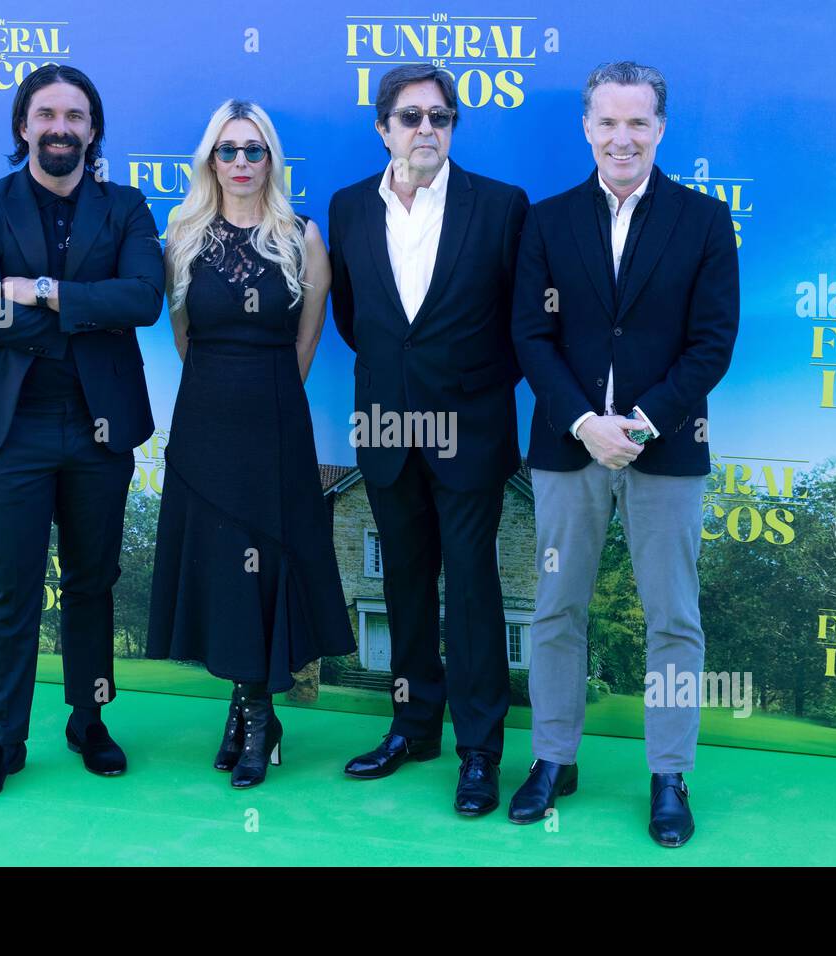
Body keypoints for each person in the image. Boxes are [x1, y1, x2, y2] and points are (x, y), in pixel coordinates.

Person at [510, 61, 739, 844]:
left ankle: (669, 773)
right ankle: (551, 759)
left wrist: (637, 424)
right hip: (565, 447)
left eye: (638, 122)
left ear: (660, 129)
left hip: (667, 449)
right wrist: (584, 422)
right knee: (555, 609)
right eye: (608, 122)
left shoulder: (705, 221)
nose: (622, 137)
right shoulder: (545, 223)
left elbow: (712, 345)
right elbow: (530, 337)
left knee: (672, 617)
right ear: (587, 127)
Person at [0, 65, 165, 801]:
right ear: (23, 127)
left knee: (92, 582)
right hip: (10, 428)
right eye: (46, 114)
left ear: (93, 130)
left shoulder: (127, 207)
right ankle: (1, 738)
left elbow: (141, 299)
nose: (61, 126)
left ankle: (88, 719)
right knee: (10, 587)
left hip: (102, 427)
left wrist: (41, 291)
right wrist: (83, 311)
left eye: (76, 115)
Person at [328, 65, 529, 816]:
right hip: (386, 427)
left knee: (473, 590)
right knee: (405, 585)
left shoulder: (502, 207)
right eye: (410, 117)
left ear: (452, 129)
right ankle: (412, 727)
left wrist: (467, 388)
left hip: (469, 430)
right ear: (383, 128)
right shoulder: (348, 208)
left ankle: (479, 750)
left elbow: (525, 327)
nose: (426, 130)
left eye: (440, 118)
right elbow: (357, 320)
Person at [146, 100, 355, 789]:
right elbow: (183, 339)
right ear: (211, 160)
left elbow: (307, 340)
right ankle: (247, 707)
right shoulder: (180, 236)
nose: (240, 163)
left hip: (275, 429)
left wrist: (263, 398)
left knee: (264, 569)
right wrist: (224, 393)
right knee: (222, 569)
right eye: (228, 150)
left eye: (253, 150)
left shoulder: (303, 236)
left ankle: (259, 718)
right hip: (205, 425)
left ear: (272, 159)